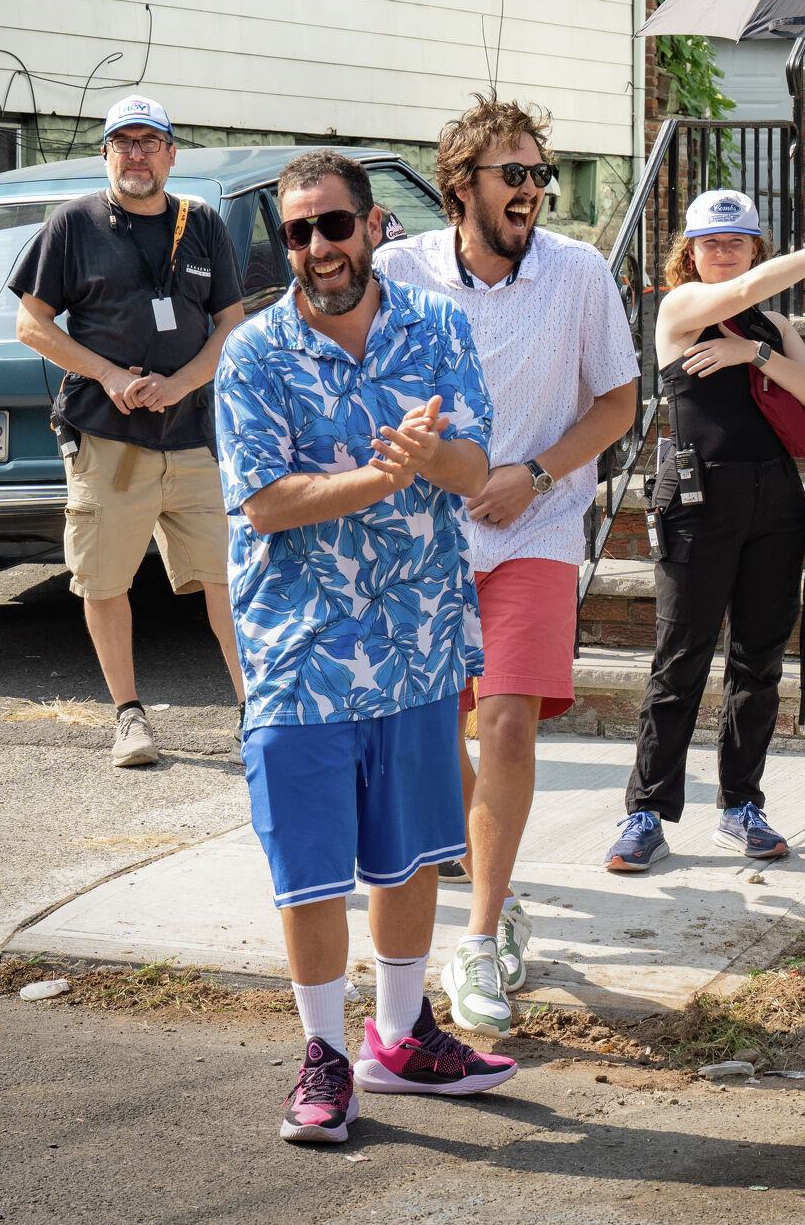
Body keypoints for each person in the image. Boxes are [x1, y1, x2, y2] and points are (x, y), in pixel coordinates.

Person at [216, 149, 517, 1145]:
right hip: (299, 653)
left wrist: (428, 456)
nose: (314, 248)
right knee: (308, 868)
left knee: (411, 854)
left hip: (417, 642)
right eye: (295, 232)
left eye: (331, 225)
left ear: (374, 224)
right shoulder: (254, 354)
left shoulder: (436, 328)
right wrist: (385, 480)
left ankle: (398, 1036)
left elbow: (474, 464)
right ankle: (323, 1054)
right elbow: (263, 502)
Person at [372, 96, 638, 1037]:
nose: (531, 190)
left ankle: (478, 937)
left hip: (534, 525)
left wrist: (533, 475)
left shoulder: (577, 272)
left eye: (539, 175)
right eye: (512, 174)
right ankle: (497, 883)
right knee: (432, 729)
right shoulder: (398, 271)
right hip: (424, 537)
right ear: (461, 187)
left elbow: (617, 401)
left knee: (511, 721)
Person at [605, 190, 805, 873]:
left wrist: (753, 353)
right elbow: (740, 291)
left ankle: (740, 804)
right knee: (680, 656)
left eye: (736, 241)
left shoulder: (770, 325)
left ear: (756, 246)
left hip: (775, 499)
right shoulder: (681, 307)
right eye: (709, 243)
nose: (723, 253)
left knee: (758, 660)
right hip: (698, 497)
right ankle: (645, 812)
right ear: (688, 252)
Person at [12, 95, 246, 767]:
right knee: (104, 579)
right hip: (107, 439)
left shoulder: (200, 225)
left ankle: (253, 714)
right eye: (124, 142)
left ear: (172, 154)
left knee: (229, 576)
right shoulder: (73, 225)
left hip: (194, 435)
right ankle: (130, 717)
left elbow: (229, 324)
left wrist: (181, 384)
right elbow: (32, 324)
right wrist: (111, 375)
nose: (137, 153)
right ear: (106, 153)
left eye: (151, 141)